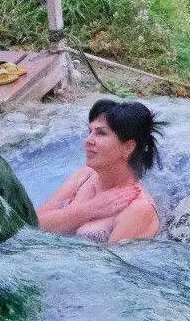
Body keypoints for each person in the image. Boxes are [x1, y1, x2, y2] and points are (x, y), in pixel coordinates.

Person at [37, 99, 162, 243]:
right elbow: (33, 224)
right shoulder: (85, 176)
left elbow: (106, 265)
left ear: (128, 147)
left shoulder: (139, 209)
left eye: (101, 133)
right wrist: (90, 210)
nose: (88, 140)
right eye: (90, 132)